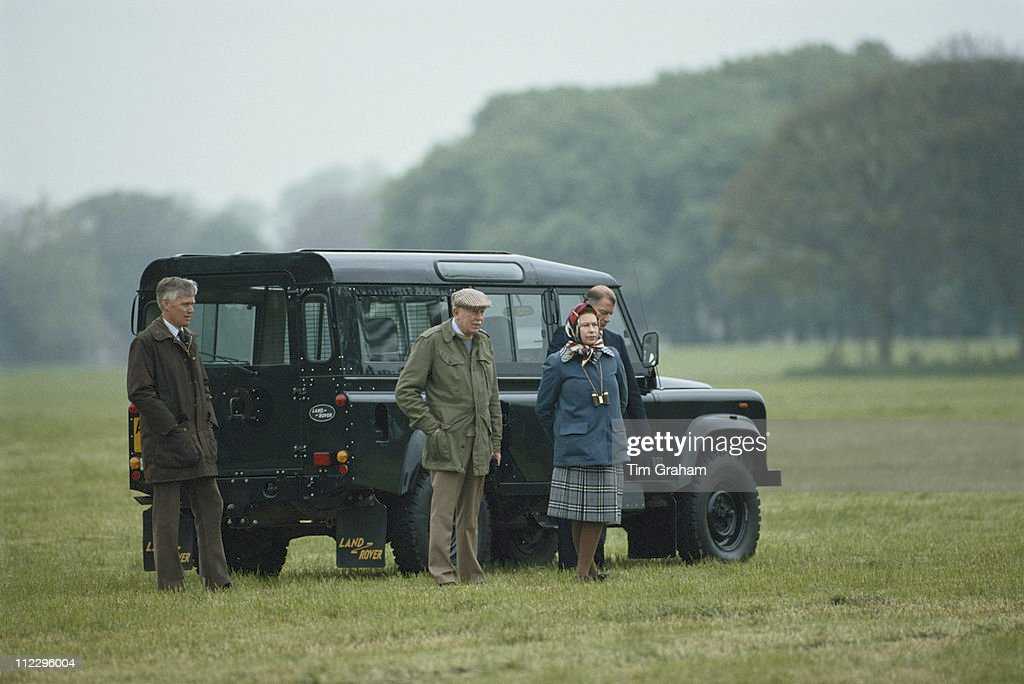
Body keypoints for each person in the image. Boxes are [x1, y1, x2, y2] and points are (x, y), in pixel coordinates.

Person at [127, 276, 231, 591]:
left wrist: (209, 423)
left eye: (192, 304)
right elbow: (140, 392)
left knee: (212, 505)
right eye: (185, 304)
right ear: (165, 304)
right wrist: (172, 431)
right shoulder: (146, 342)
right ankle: (171, 583)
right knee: (167, 517)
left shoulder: (190, 340)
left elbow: (203, 388)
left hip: (200, 441)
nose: (190, 310)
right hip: (166, 444)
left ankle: (217, 579)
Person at [395, 288, 503, 585]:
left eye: (482, 312)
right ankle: (442, 574)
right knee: (441, 515)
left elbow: (492, 397)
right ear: (456, 311)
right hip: (447, 443)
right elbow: (405, 391)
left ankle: (471, 574)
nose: (479, 318)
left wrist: (495, 442)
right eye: (473, 312)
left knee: (470, 517)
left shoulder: (484, 344)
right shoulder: (432, 341)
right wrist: (432, 428)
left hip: (479, 443)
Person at [547, 285, 647, 569]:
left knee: (598, 506)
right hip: (574, 437)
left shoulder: (614, 345)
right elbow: (549, 398)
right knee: (574, 508)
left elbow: (628, 392)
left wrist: (641, 431)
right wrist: (560, 432)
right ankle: (575, 565)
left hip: (604, 437)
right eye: (600, 314)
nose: (603, 321)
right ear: (585, 309)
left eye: (607, 316)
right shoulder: (561, 344)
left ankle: (592, 565)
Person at [536, 303, 628, 581]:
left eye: (595, 325)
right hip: (574, 446)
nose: (591, 329)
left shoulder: (611, 358)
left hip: (607, 443)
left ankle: (587, 570)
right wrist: (565, 434)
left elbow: (621, 398)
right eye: (586, 325)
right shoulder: (558, 362)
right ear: (575, 329)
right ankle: (582, 572)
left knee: (596, 513)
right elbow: (543, 408)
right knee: (579, 512)